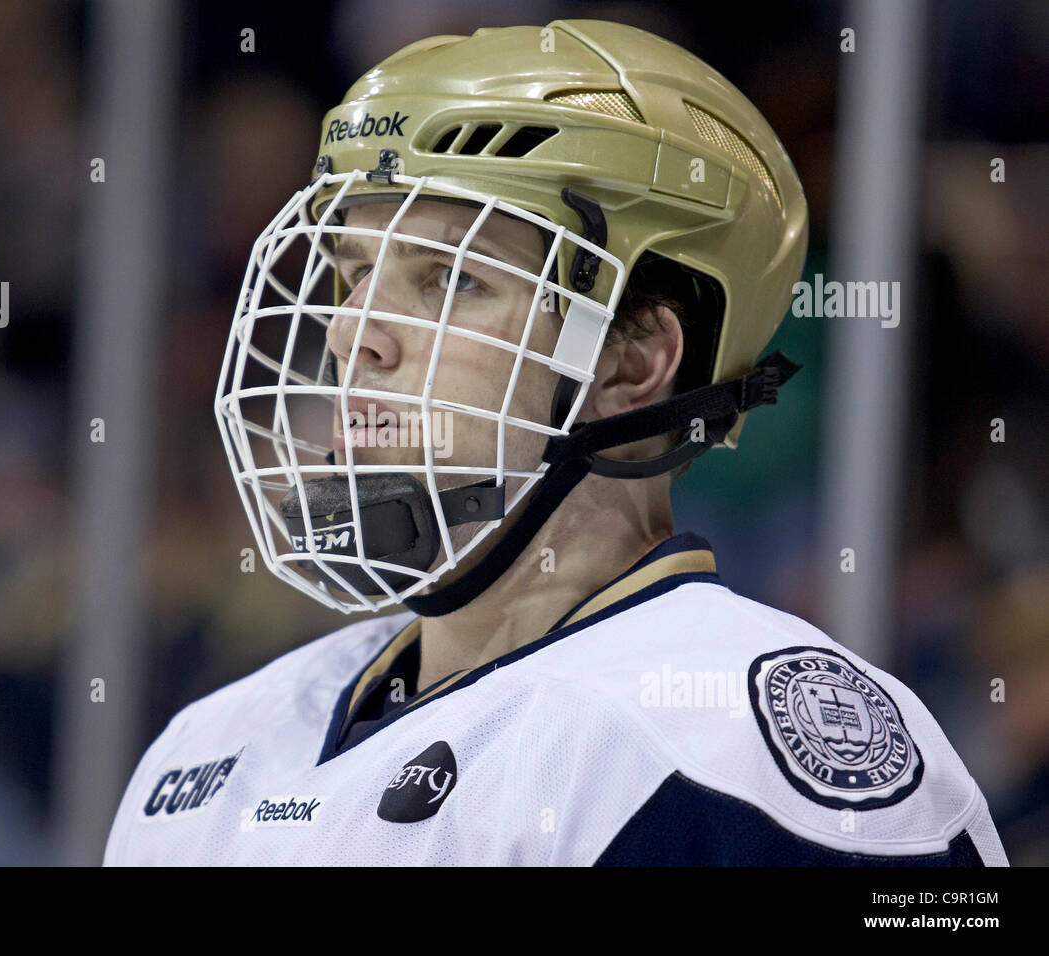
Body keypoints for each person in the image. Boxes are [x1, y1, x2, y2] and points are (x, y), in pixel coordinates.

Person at [105, 19, 1006, 865]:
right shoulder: (207, 752)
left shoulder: (735, 754)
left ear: (636, 359)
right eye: (352, 275)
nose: (353, 334)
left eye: (450, 278)